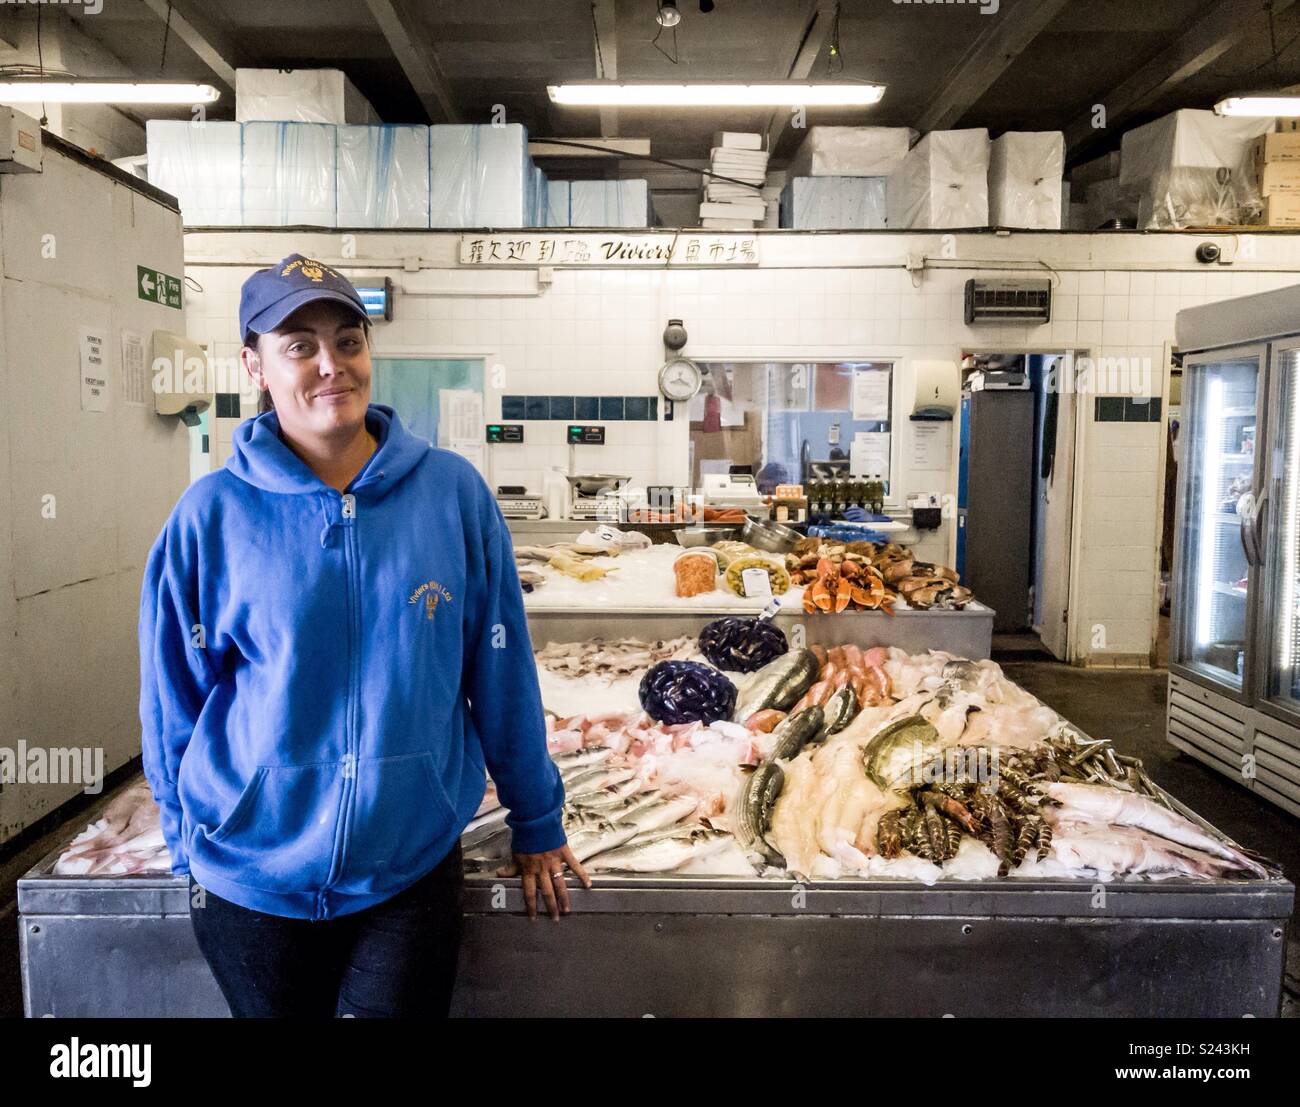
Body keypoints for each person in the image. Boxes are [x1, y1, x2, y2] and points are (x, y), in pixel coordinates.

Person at [138, 254, 588, 1018]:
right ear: (254, 364)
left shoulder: (452, 494)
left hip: (406, 868)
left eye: (348, 341)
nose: (330, 365)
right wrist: (189, 845)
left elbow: (500, 670)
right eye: (299, 346)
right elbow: (171, 698)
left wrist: (536, 817)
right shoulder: (208, 516)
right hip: (253, 876)